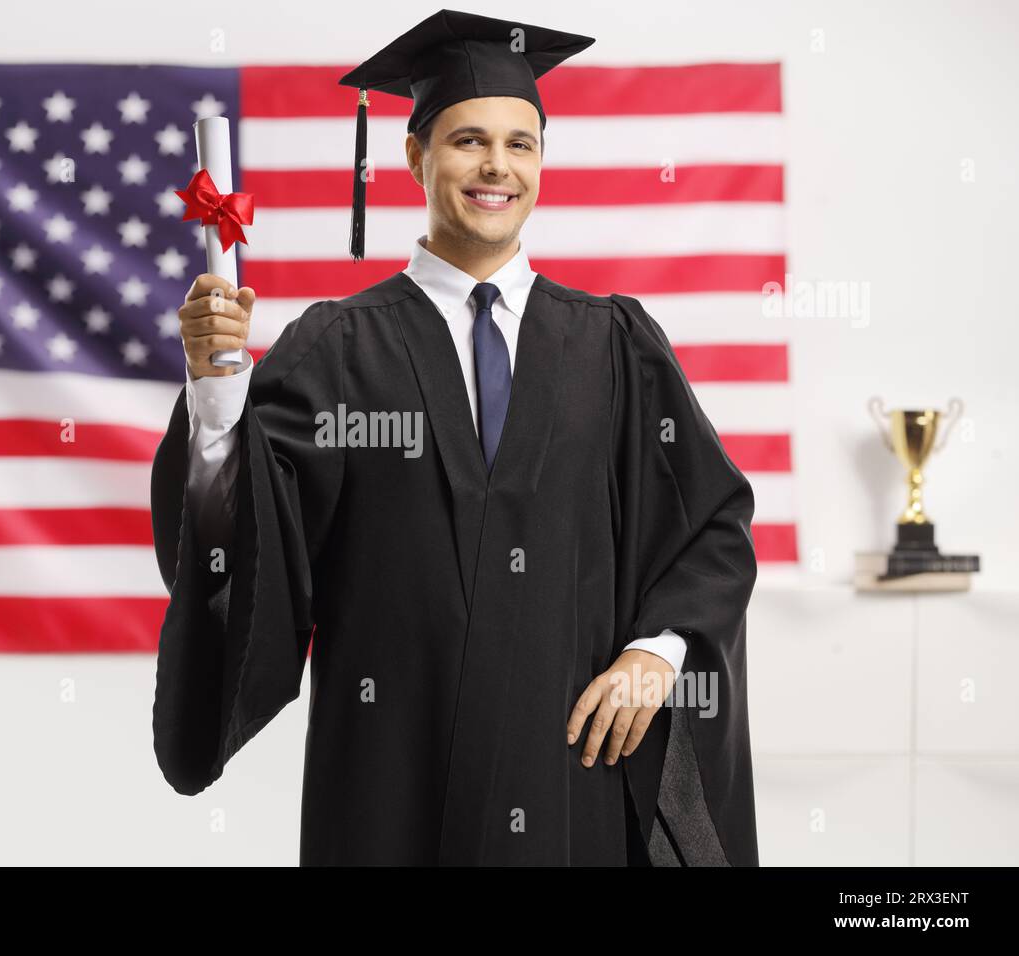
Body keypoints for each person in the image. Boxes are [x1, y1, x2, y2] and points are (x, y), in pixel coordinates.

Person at [151, 9, 759, 865]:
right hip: (392, 788)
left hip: (573, 781)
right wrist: (217, 400)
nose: (497, 167)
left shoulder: (615, 347)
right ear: (415, 156)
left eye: (521, 143)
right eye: (469, 140)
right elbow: (243, 545)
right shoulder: (334, 351)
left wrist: (656, 653)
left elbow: (713, 529)